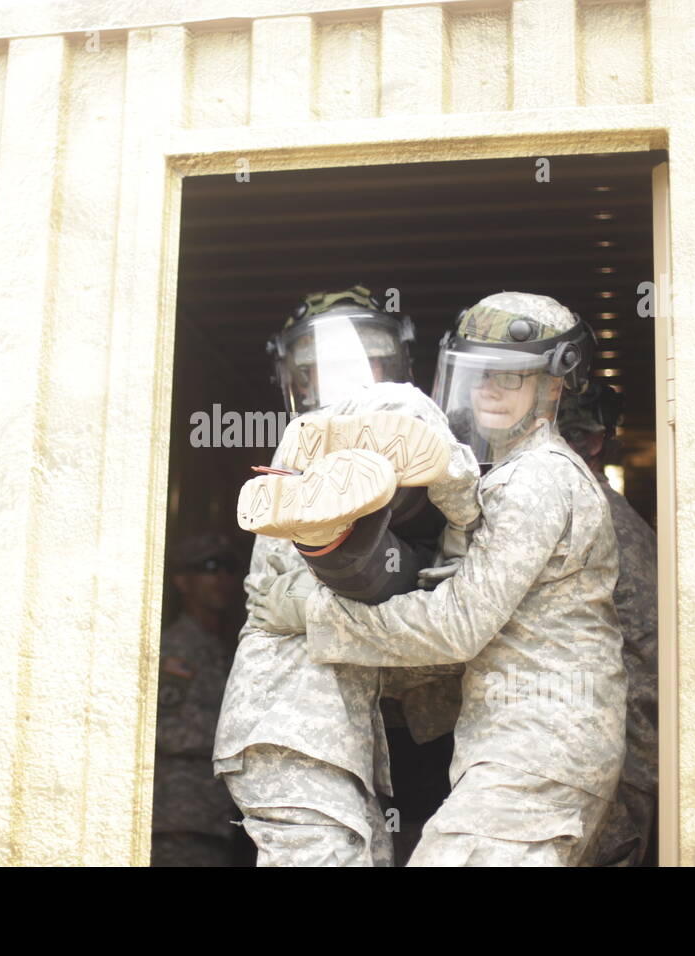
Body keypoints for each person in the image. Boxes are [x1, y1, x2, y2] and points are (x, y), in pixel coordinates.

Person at [302, 291, 627, 866]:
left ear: (553, 386)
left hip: (539, 749)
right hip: (527, 749)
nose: (489, 391)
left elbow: (458, 626)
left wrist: (317, 616)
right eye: (480, 376)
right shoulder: (510, 475)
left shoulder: (536, 481)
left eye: (512, 377)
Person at [214, 286, 472, 866]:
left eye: (372, 361)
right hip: (297, 735)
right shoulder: (302, 451)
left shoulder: (406, 425)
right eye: (314, 369)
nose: (349, 379)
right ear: (294, 382)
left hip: (346, 746)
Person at [558, 385, 659, 866]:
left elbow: (646, 656)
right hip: (600, 747)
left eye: (563, 434)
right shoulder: (585, 514)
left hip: (615, 754)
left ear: (591, 443)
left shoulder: (603, 521)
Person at [152, 534, 246, 866]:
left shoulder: (223, 647)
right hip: (179, 824)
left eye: (229, 568)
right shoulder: (176, 649)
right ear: (182, 580)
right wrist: (241, 734)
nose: (222, 578)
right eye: (209, 567)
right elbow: (166, 728)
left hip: (213, 824)